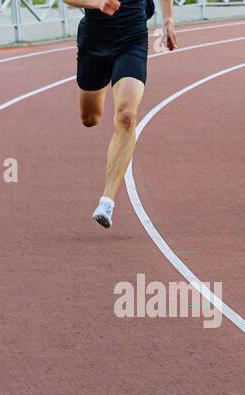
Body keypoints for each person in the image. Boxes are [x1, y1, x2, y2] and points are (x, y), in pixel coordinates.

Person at [69, 0, 176, 228]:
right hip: (94, 41)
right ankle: (107, 75)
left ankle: (107, 202)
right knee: (90, 118)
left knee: (127, 116)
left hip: (132, 38)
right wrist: (97, 2)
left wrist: (168, 19)